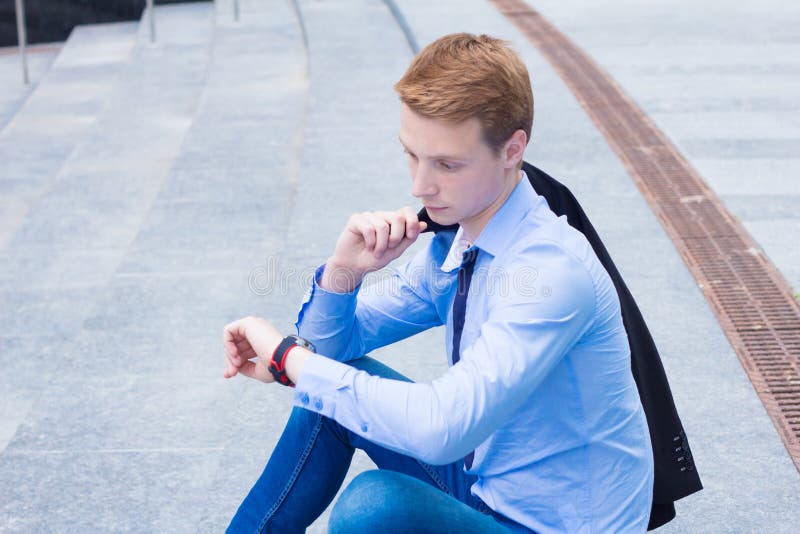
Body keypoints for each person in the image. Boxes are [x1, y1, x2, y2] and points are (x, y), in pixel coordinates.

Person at [222, 33, 654, 533]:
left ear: (513, 149)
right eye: (412, 155)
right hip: (486, 484)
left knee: (375, 507)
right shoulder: (455, 241)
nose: (419, 186)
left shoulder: (552, 272)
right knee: (333, 394)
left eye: (447, 165)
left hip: (551, 525)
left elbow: (441, 429)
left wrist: (287, 359)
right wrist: (345, 272)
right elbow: (331, 348)